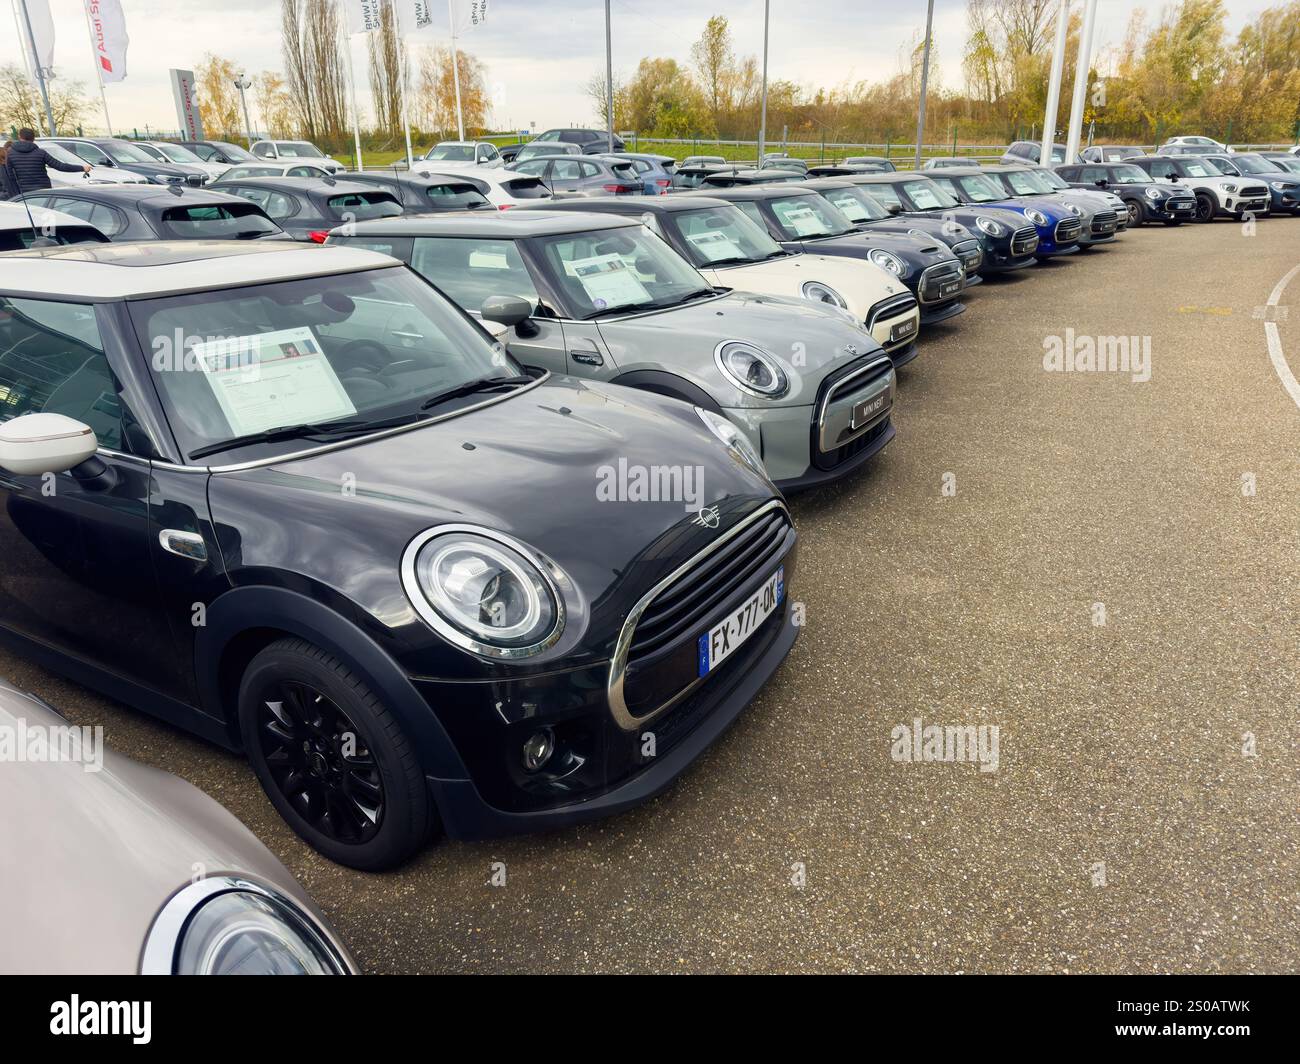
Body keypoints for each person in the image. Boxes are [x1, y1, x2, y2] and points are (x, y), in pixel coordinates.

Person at [4, 128, 92, 195]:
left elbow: (11, 177)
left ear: (19, 137)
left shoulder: (10, 154)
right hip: (44, 191)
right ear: (33, 138)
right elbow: (60, 166)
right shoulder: (41, 153)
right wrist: (82, 168)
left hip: (25, 194)